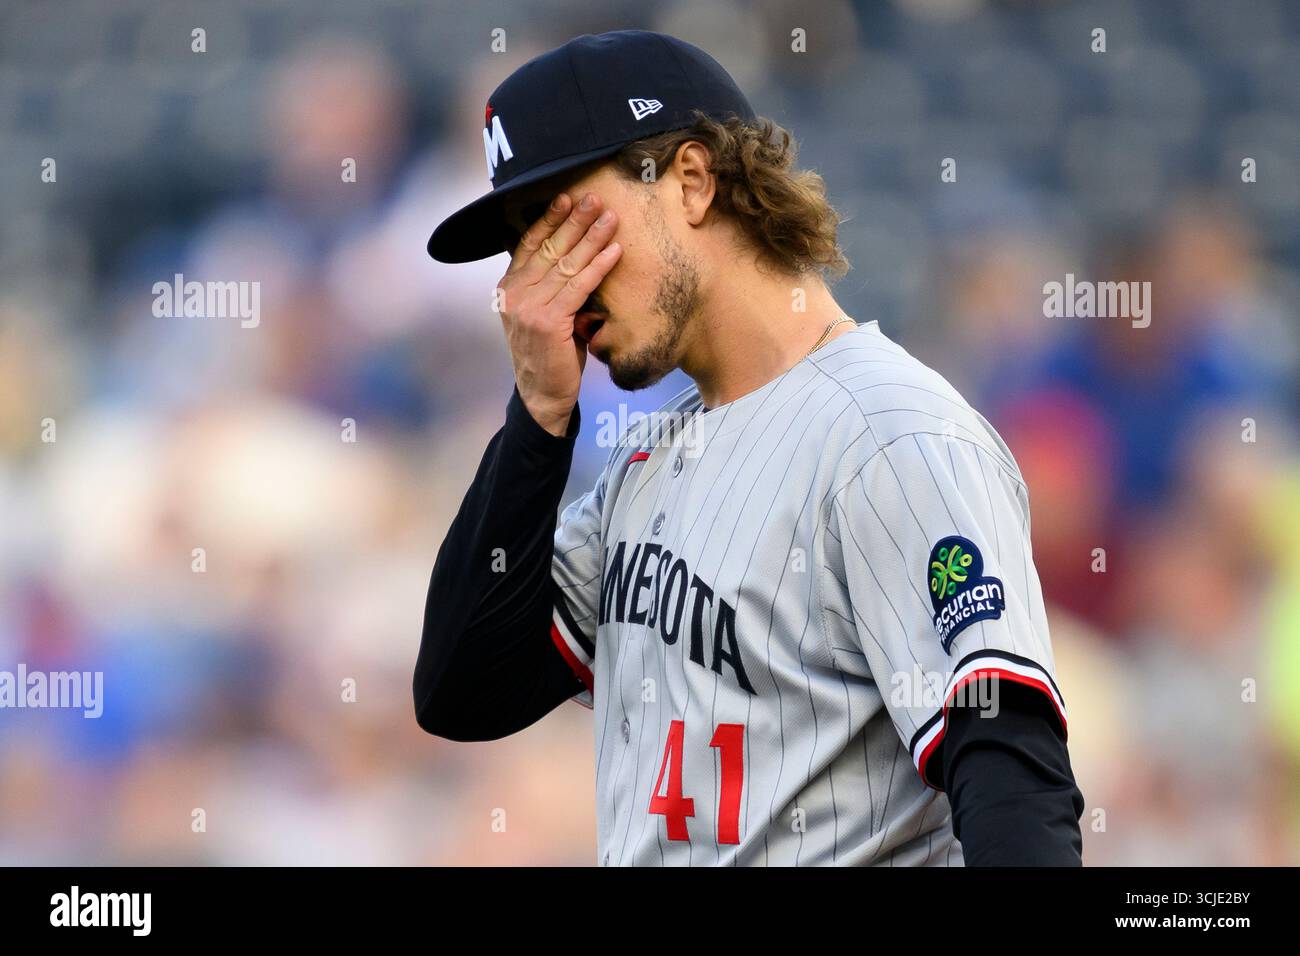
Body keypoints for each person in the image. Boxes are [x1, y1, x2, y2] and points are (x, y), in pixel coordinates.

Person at [414, 29, 1084, 866]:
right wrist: (540, 413)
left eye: (562, 225)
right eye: (526, 249)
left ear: (690, 181)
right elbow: (462, 692)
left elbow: (1013, 773)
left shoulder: (891, 434)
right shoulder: (645, 464)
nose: (545, 284)